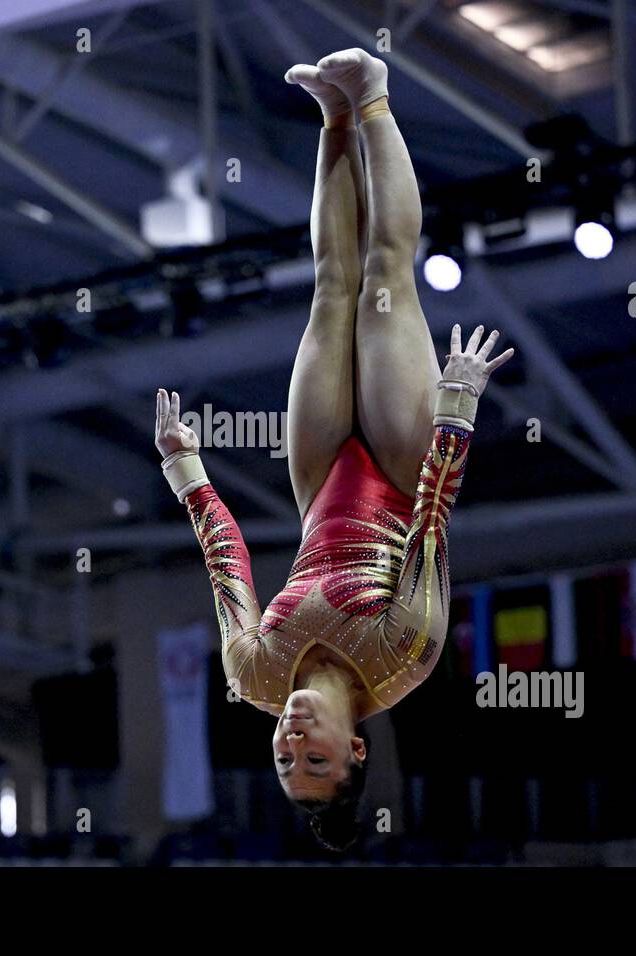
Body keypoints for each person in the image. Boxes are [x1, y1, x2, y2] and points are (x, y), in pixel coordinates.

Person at [154, 48, 515, 851]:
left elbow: (227, 568)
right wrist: (455, 411)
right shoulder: (403, 657)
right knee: (386, 272)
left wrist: (188, 471)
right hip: (397, 465)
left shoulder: (253, 678)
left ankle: (333, 117)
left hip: (317, 486)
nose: (290, 743)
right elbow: (429, 529)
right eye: (314, 758)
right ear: (356, 749)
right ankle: (377, 98)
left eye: (285, 762)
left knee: (330, 285)